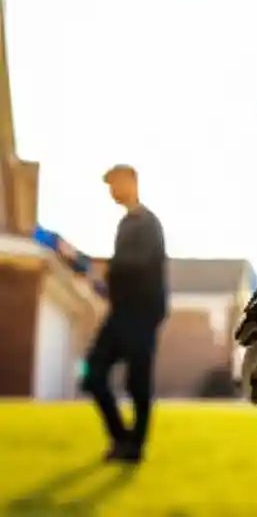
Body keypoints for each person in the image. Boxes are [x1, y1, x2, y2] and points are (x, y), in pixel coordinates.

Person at [81, 164, 168, 463]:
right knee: (93, 374)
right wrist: (99, 278)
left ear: (132, 182)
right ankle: (122, 439)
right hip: (121, 313)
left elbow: (140, 262)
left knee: (137, 382)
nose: (112, 191)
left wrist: (107, 266)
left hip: (142, 314)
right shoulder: (126, 223)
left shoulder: (147, 222)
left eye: (115, 184)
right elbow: (122, 272)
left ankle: (134, 448)